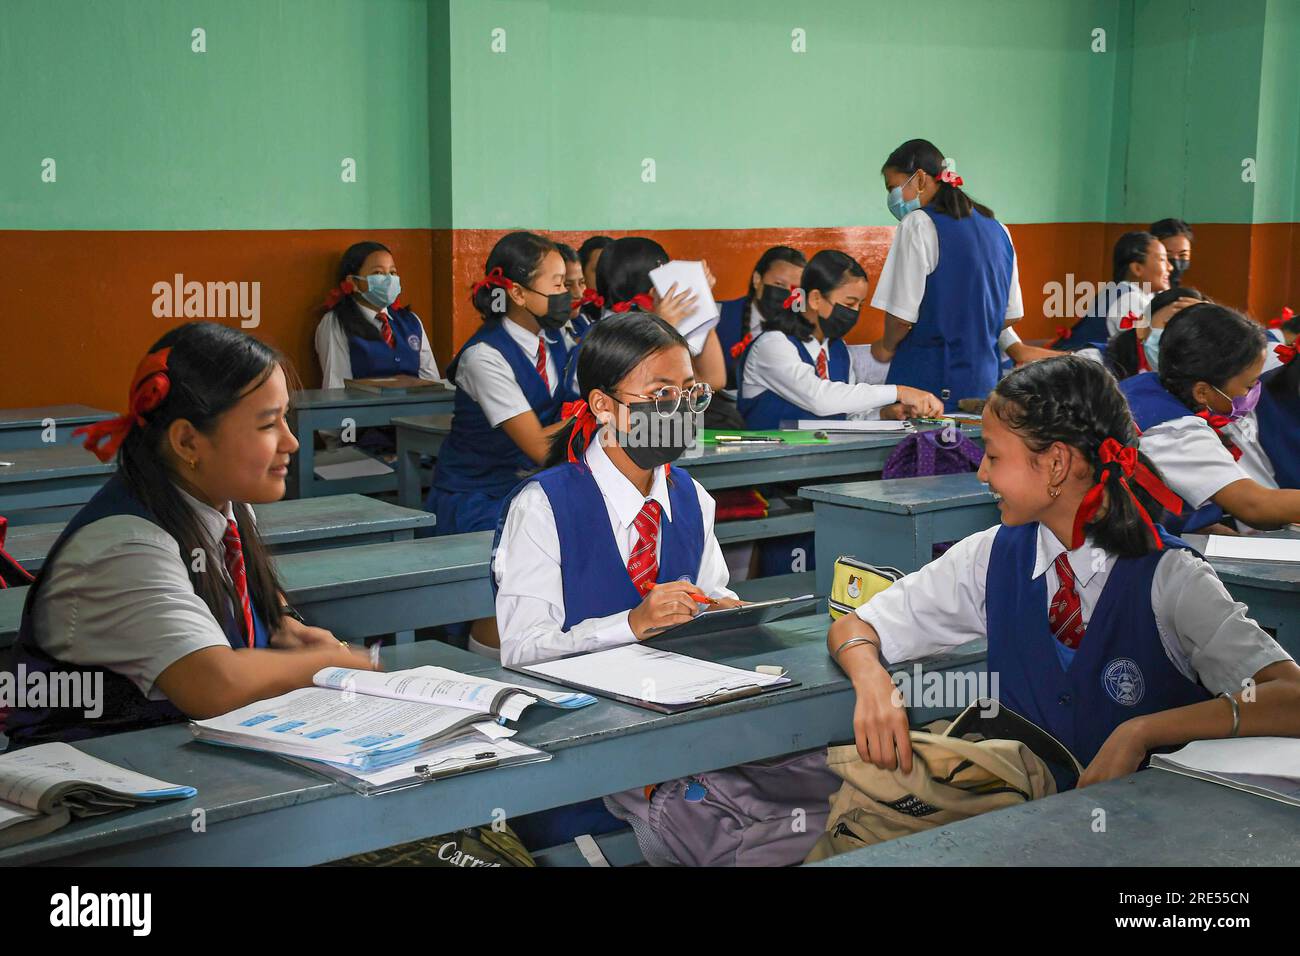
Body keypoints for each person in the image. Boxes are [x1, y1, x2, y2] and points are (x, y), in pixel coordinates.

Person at [828, 355, 1300, 788]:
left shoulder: (1170, 578)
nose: (982, 475)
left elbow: (1288, 694)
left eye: (993, 456)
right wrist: (873, 680)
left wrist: (1141, 732)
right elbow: (856, 627)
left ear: (1055, 465)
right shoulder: (991, 556)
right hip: (1021, 822)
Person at [4, 323, 375, 748]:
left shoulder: (224, 504)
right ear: (187, 441)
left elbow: (235, 584)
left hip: (182, 760)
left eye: (285, 418)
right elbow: (214, 686)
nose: (290, 441)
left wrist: (284, 622)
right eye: (268, 424)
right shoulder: (123, 548)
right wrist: (328, 665)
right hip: (94, 786)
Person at [870, 139, 1024, 411]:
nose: (893, 197)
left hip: (928, 384)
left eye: (893, 187)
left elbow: (901, 318)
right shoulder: (999, 229)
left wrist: (885, 346)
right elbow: (1010, 314)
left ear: (919, 178)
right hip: (984, 383)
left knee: (924, 451)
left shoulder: (918, 224)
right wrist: (971, 331)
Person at [1120, 304, 1300, 531]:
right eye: (1249, 385)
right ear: (1202, 392)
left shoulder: (1147, 387)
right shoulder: (1175, 432)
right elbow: (1254, 505)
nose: (1255, 393)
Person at [736, 250, 942, 428]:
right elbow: (820, 398)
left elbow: (847, 418)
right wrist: (900, 391)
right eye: (848, 303)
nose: (853, 313)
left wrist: (885, 414)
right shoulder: (773, 345)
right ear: (815, 299)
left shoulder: (838, 349)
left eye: (859, 306)